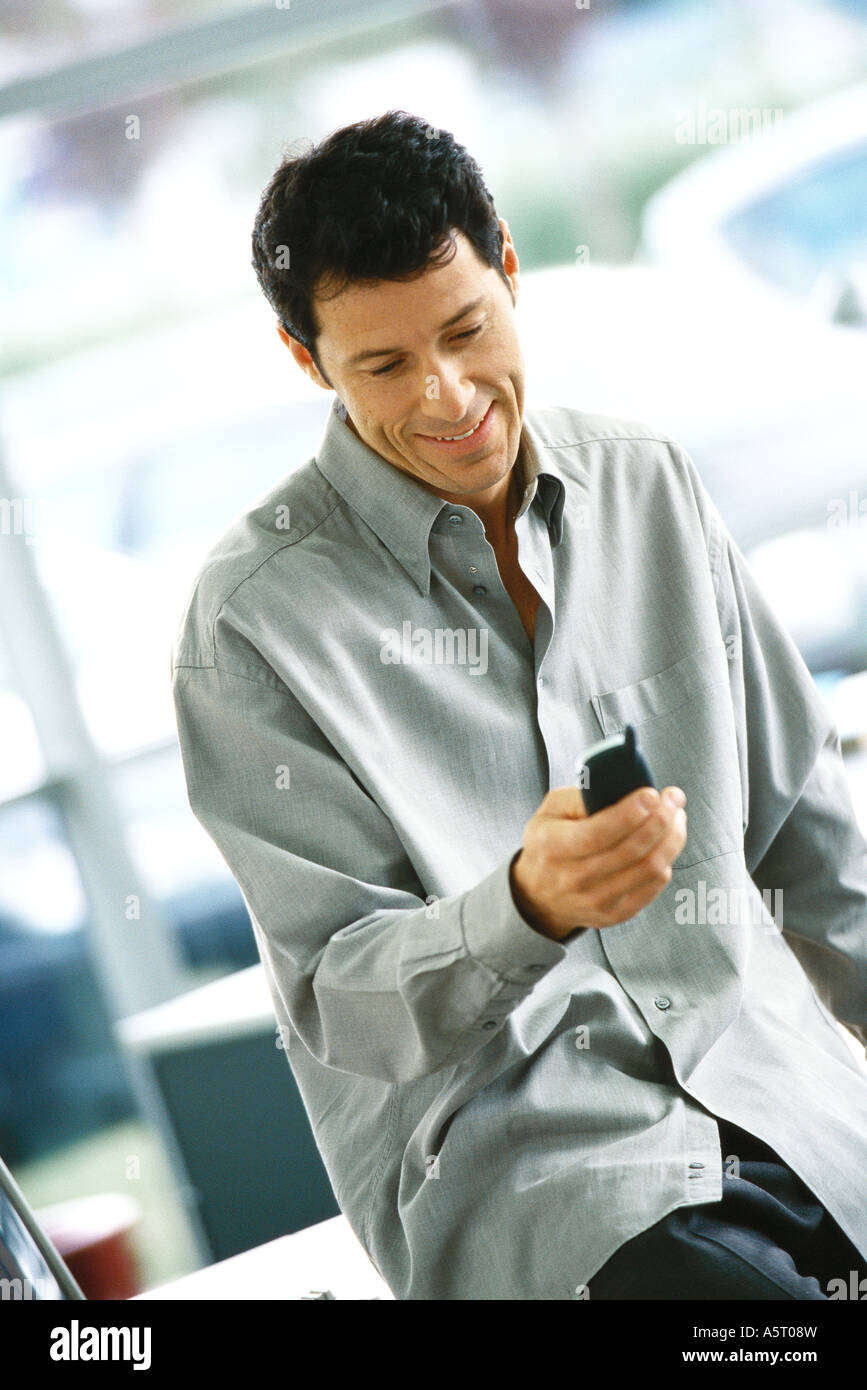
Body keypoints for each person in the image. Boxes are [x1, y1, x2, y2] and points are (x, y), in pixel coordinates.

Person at [170, 109, 867, 1300]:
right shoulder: (252, 627)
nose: (449, 398)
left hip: (781, 1090)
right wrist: (524, 907)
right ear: (308, 363)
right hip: (542, 1177)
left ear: (506, 264)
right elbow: (342, 996)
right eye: (383, 366)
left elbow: (808, 822)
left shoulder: (645, 484)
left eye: (465, 330)